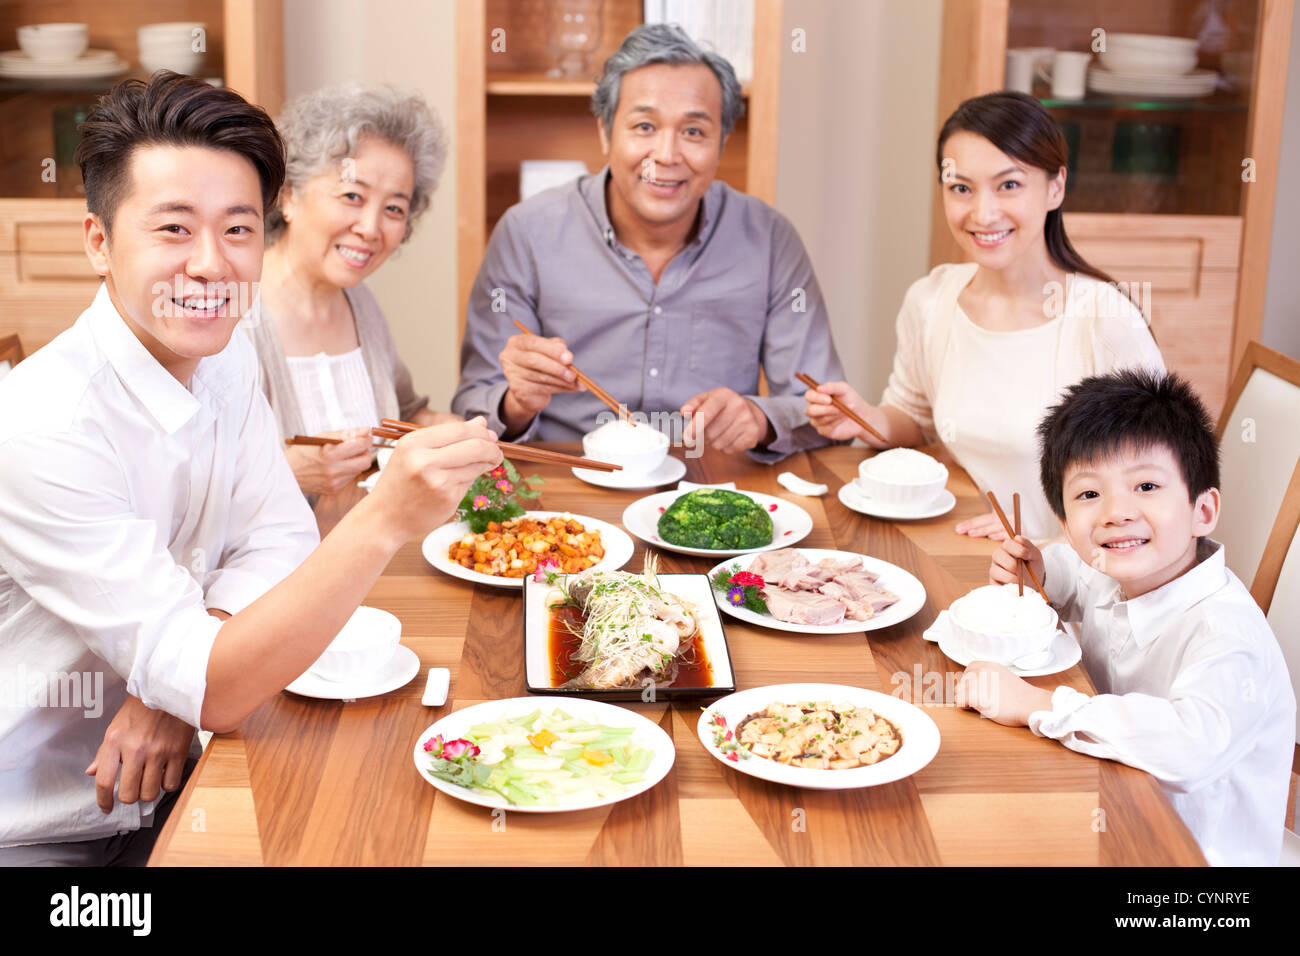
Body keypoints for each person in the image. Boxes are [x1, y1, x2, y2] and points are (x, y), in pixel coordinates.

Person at [0, 72, 500, 864]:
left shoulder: (221, 351)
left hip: (184, 769)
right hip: (44, 817)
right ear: (99, 242)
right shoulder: (40, 423)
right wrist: (383, 518)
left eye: (237, 230)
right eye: (173, 229)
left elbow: (274, 538)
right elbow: (217, 682)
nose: (211, 265)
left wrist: (178, 680)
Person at [452, 23, 844, 461]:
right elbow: (473, 405)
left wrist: (760, 417)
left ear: (722, 142)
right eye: (644, 126)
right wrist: (517, 402)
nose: (667, 155)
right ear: (605, 131)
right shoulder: (526, 232)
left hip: (710, 488)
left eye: (694, 132)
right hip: (567, 491)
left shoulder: (770, 239)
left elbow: (826, 408)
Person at [959, 369, 1295, 866]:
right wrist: (1041, 570)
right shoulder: (1118, 564)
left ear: (1202, 510)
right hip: (1110, 801)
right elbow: (1075, 571)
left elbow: (1190, 746)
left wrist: (1038, 705)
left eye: (1145, 486)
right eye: (1089, 495)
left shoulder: (1227, 633)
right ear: (1065, 523)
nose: (1116, 512)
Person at [805, 91, 1163, 541]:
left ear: (1056, 187)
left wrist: (1039, 535)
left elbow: (1153, 494)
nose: (983, 213)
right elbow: (914, 420)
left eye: (1009, 185)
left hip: (1076, 579)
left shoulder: (1105, 321)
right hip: (967, 549)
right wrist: (864, 418)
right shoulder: (931, 299)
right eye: (961, 188)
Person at [247, 85, 461, 500]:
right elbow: (181, 486)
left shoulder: (358, 302)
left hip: (369, 548)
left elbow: (404, 413)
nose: (370, 227)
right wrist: (286, 475)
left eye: (394, 208)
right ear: (289, 196)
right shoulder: (229, 315)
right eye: (352, 196)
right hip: (274, 564)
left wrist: (445, 428)